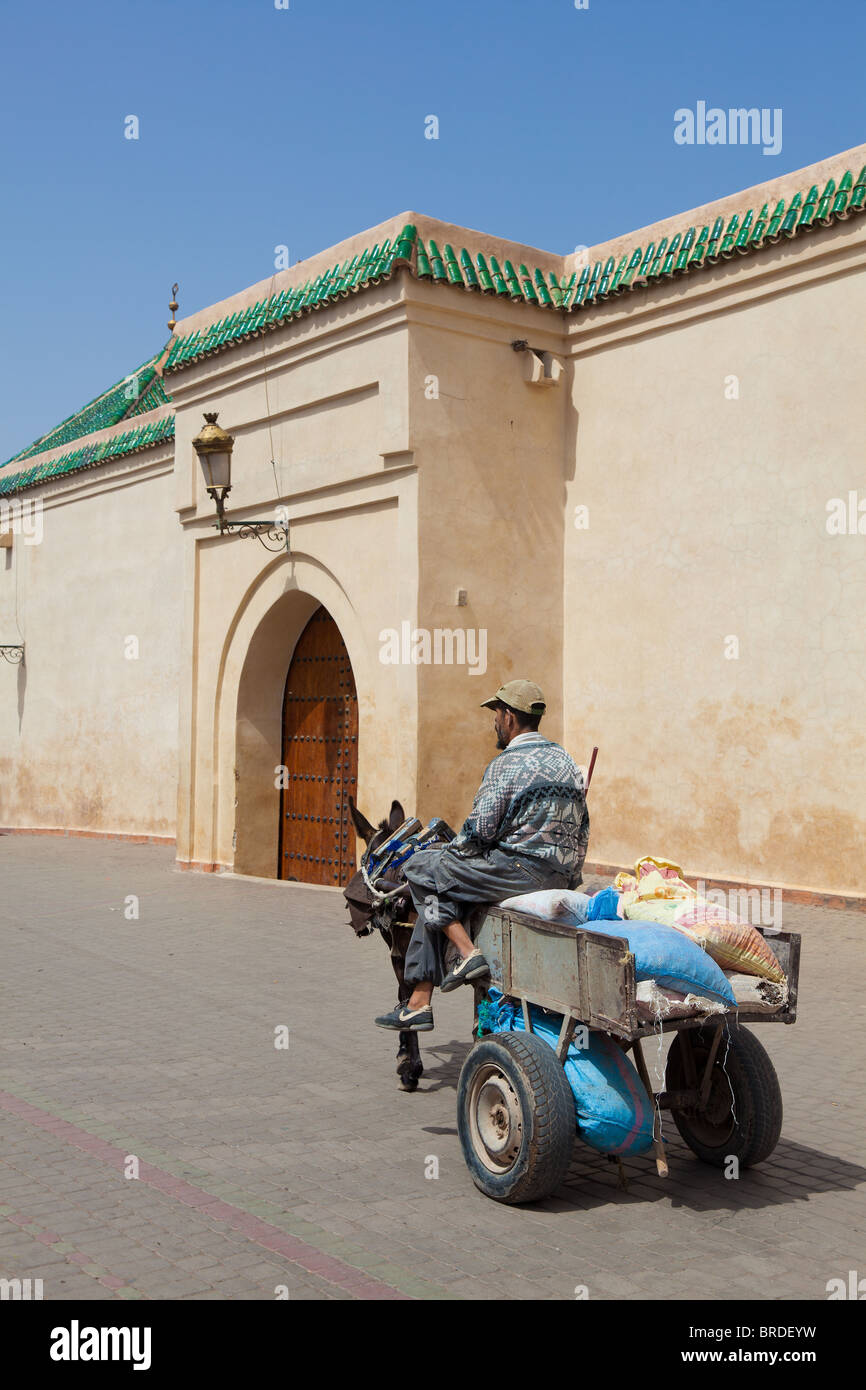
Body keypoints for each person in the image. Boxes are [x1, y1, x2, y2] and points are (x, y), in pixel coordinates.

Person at [374, 680, 590, 1033]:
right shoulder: (565, 760)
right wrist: (570, 874)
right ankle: (419, 1000)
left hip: (517, 869)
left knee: (420, 867)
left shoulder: (505, 765)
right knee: (440, 882)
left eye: (496, 714)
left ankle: (465, 952)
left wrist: (451, 856)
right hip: (561, 874)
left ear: (508, 717)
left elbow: (478, 832)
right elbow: (583, 829)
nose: (494, 722)